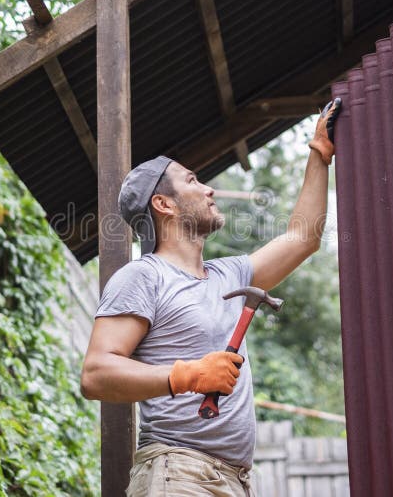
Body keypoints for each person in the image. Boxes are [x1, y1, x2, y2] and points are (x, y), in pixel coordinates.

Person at [80, 103, 339, 497]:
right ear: (164, 204)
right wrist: (187, 376)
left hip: (233, 480)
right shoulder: (144, 276)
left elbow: (302, 238)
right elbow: (96, 374)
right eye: (192, 180)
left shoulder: (229, 274)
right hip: (179, 474)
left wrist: (319, 153)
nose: (209, 189)